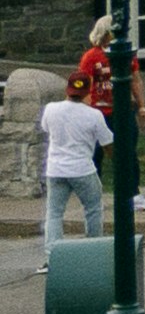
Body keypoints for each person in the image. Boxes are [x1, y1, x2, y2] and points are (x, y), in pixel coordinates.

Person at [34, 63, 98, 255]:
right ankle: (94, 248)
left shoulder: (51, 109)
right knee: (93, 208)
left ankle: (52, 253)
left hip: (55, 170)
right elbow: (107, 141)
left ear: (67, 91)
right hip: (83, 169)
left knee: (54, 212)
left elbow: (45, 129)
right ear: (89, 92)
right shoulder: (94, 114)